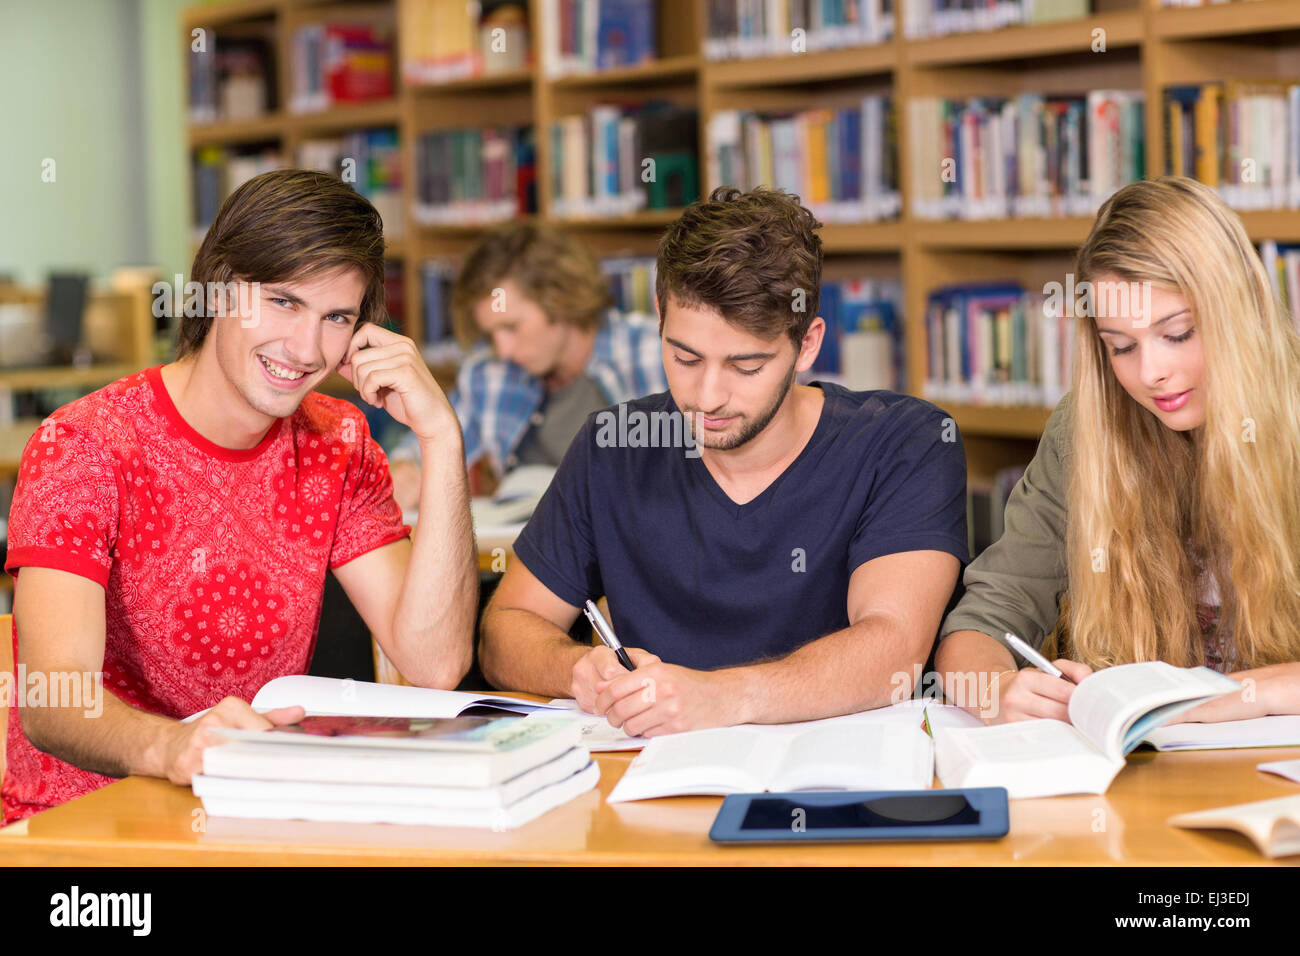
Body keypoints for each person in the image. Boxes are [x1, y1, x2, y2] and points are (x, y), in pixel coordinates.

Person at [2, 169, 476, 824]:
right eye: (284, 302)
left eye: (335, 317)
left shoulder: (337, 441)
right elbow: (53, 701)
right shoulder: (83, 446)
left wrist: (441, 438)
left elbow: (435, 663)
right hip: (84, 826)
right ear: (220, 289)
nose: (306, 349)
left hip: (244, 815)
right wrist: (171, 747)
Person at [478, 186, 968, 736]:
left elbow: (894, 651)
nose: (707, 396)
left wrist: (721, 697)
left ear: (807, 344)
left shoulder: (906, 443)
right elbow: (505, 630)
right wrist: (576, 669)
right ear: (660, 316)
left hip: (839, 784)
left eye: (746, 365)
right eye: (685, 357)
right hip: (653, 784)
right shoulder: (613, 445)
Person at [936, 176, 1300, 724]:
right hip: (1143, 773)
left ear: (1239, 312)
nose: (1151, 372)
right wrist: (996, 690)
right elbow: (988, 617)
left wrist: (1233, 697)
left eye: (1178, 333)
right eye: (1121, 347)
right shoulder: (1085, 429)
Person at [386, 222, 667, 509]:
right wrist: (407, 468)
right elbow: (433, 440)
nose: (504, 350)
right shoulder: (488, 373)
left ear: (559, 298)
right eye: (492, 334)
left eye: (511, 327)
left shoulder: (655, 353)